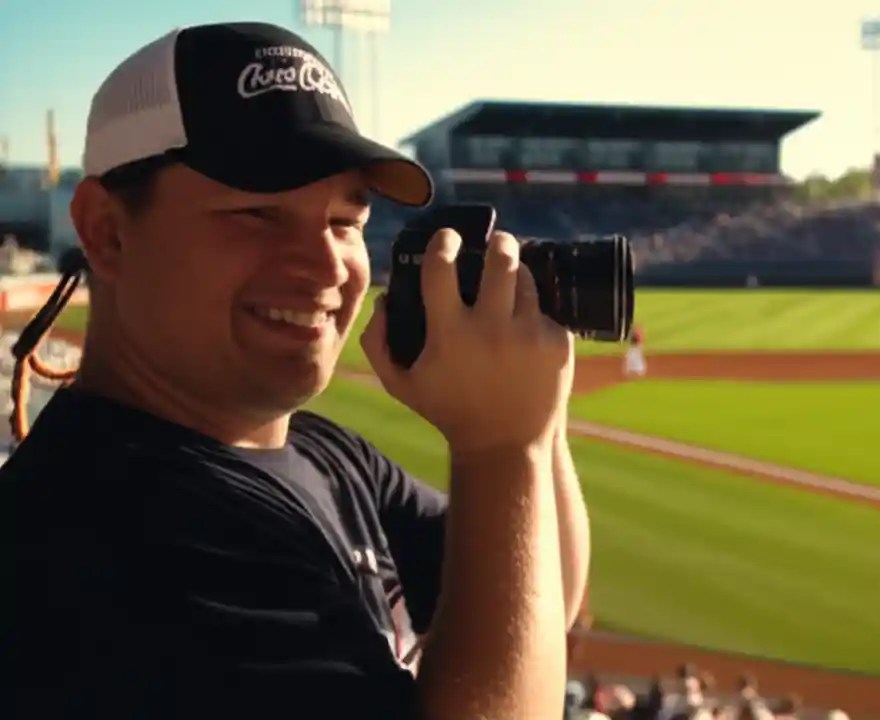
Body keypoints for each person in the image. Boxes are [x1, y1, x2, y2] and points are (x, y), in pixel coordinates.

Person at [0, 21, 590, 720]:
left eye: (346, 221)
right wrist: (501, 447)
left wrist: (538, 423)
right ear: (106, 231)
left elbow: (535, 601)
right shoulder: (94, 536)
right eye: (257, 214)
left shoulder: (323, 454)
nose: (326, 266)